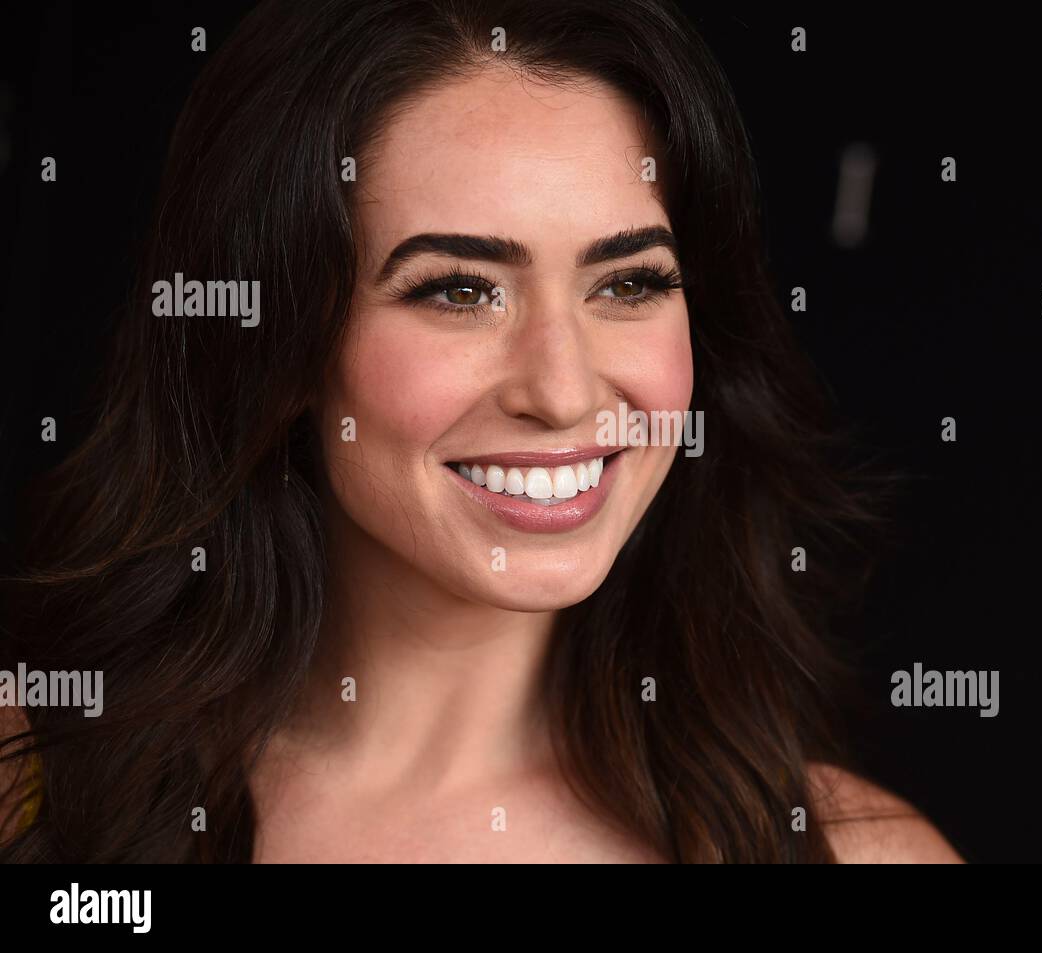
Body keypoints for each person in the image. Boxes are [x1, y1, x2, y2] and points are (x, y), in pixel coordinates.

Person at [0, 0, 962, 863]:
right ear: (280, 346)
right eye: (460, 291)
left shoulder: (853, 854)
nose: (561, 389)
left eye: (629, 284)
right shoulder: (31, 786)